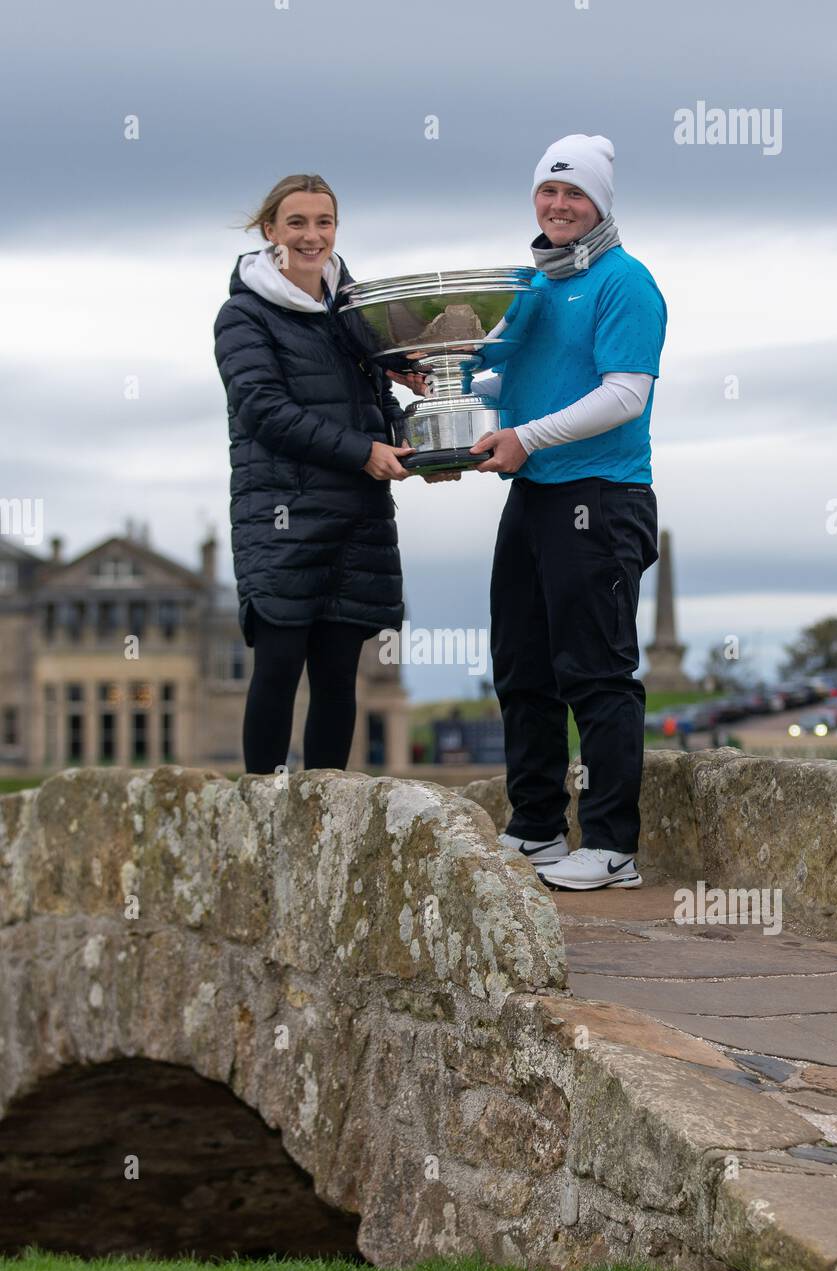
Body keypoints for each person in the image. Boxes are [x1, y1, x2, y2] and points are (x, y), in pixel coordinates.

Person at [425, 134, 667, 890]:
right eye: (548, 192)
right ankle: (536, 827)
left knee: (595, 672)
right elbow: (512, 383)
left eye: (576, 195)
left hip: (600, 493)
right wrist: (436, 392)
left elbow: (626, 393)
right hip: (532, 497)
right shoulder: (532, 284)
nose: (559, 205)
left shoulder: (626, 282)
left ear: (599, 205)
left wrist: (526, 437)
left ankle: (613, 846)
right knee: (522, 667)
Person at [213, 173, 416, 775]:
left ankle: (326, 818)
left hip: (357, 518)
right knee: (277, 670)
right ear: (270, 231)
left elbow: (379, 405)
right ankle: (262, 818)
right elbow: (264, 411)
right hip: (280, 517)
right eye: (296, 223)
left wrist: (419, 444)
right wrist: (363, 452)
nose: (311, 236)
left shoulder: (356, 315)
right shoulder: (242, 315)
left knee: (338, 678)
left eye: (323, 222)